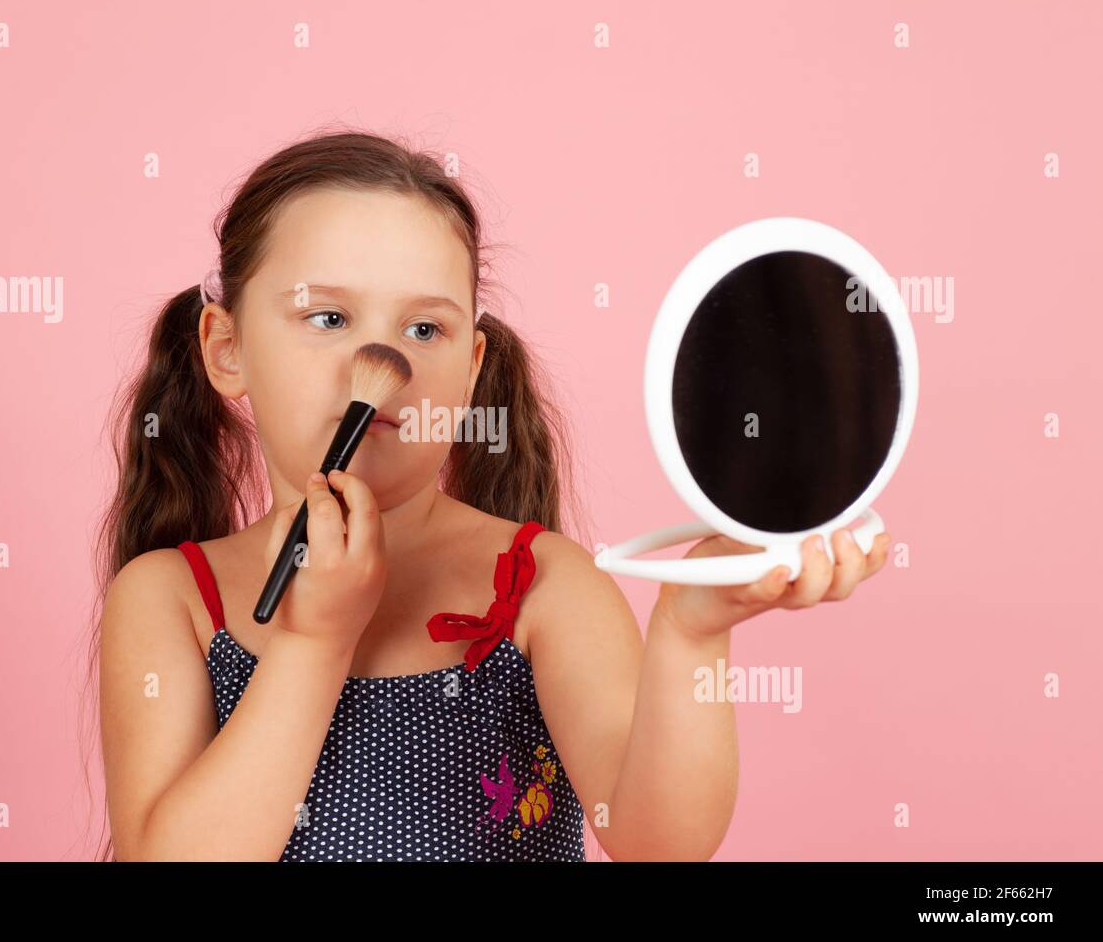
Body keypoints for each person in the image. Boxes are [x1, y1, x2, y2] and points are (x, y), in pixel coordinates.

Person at [92, 129, 890, 861]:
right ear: (226, 350)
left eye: (425, 330)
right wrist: (313, 643)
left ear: (471, 371)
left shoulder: (546, 583)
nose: (379, 355)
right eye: (328, 316)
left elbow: (660, 841)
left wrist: (691, 634)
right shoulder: (170, 598)